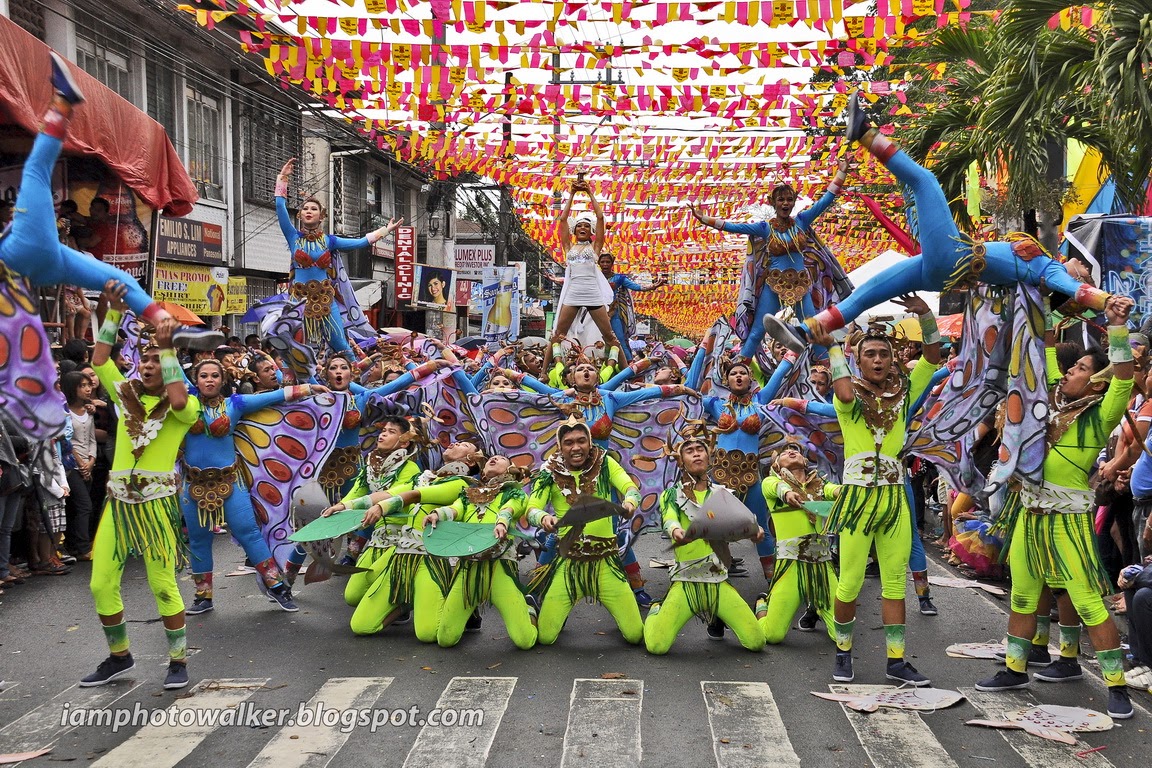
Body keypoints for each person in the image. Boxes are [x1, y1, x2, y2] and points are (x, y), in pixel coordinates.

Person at [764, 93, 1128, 353]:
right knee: (865, 294)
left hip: (957, 258)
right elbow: (1076, 291)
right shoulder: (1047, 268)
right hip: (942, 268)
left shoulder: (1052, 271)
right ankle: (807, 330)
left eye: (1084, 270)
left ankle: (863, 133)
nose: (1082, 263)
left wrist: (1106, 299)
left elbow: (1077, 291)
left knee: (925, 181)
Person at [975, 300, 1136, 720]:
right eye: (1072, 366)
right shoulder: (1047, 405)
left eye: (1080, 367)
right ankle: (1014, 668)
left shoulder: (1101, 415)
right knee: (1024, 596)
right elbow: (1045, 355)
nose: (1069, 371)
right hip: (1029, 518)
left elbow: (1123, 378)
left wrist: (1117, 328)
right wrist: (1039, 303)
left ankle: (1117, 688)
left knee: (1087, 602)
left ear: (1096, 382)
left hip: (1069, 524)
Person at [0, 54, 221, 352]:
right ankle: (63, 101)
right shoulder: (26, 231)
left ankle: (165, 323)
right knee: (37, 168)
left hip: (39, 264)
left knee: (116, 278)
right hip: (25, 253)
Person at [806, 294, 941, 686]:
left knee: (894, 582)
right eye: (870, 355)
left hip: (896, 499)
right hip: (859, 499)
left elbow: (932, 358)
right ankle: (843, 653)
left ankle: (896, 661)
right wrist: (832, 346)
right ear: (859, 361)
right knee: (849, 581)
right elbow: (846, 393)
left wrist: (927, 316)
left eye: (884, 353)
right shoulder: (846, 396)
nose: (878, 360)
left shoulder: (905, 395)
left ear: (893, 359)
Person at [81, 279, 201, 690]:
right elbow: (99, 361)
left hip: (155, 508)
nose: (147, 365)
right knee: (101, 583)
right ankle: (120, 656)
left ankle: (178, 660)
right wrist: (112, 312)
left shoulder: (183, 405)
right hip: (118, 505)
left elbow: (181, 401)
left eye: (156, 360)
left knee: (161, 584)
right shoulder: (125, 395)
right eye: (144, 359)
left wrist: (167, 349)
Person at [180, 358, 329, 615]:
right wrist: (162, 341)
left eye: (215, 375)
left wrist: (309, 390)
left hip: (230, 481)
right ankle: (203, 596)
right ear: (195, 380)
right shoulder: (186, 403)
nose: (209, 380)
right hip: (193, 485)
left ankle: (278, 587)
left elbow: (272, 397)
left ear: (223, 380)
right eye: (203, 375)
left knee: (249, 532)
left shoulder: (235, 404)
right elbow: (171, 369)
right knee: (198, 539)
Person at [690, 157, 852, 360]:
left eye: (789, 199)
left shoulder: (802, 221)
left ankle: (825, 371)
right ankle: (739, 368)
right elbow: (733, 227)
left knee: (813, 328)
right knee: (758, 330)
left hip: (802, 285)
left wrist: (842, 171)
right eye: (781, 200)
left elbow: (827, 199)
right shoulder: (764, 228)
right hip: (774, 285)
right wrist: (703, 218)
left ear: (794, 202)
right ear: (773, 203)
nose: (785, 203)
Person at [645, 427, 765, 654]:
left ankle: (760, 605)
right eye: (689, 451)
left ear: (709, 456)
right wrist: (676, 531)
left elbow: (745, 523)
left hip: (718, 580)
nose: (696, 453)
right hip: (686, 581)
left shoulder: (723, 493)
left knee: (756, 642)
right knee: (657, 646)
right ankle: (656, 609)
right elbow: (669, 518)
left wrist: (755, 532)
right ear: (681, 461)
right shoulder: (671, 494)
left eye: (700, 449)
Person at [527, 417, 644, 645]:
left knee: (635, 635)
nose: (576, 447)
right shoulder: (548, 471)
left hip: (606, 564)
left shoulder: (605, 463)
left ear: (590, 443)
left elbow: (631, 487)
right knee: (546, 637)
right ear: (561, 447)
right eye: (569, 442)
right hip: (568, 565)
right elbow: (532, 508)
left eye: (581, 441)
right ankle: (531, 612)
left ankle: (658, 610)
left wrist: (630, 502)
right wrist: (544, 518)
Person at [274, 158, 401, 353]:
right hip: (298, 300)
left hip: (325, 299)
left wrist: (385, 230)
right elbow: (280, 207)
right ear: (300, 215)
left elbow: (360, 242)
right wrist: (283, 178)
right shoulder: (293, 237)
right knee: (293, 344)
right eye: (305, 209)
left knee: (340, 343)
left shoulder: (330, 241)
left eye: (313, 209)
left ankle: (354, 375)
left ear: (321, 215)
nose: (309, 211)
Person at [424, 456, 537, 649]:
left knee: (524, 641)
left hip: (499, 568)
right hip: (468, 569)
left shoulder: (514, 494)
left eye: (500, 458)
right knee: (445, 639)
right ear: (482, 471)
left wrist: (502, 521)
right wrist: (437, 514)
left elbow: (510, 509)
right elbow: (455, 509)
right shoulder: (468, 494)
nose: (493, 459)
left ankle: (530, 610)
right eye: (491, 458)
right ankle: (471, 611)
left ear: (509, 470)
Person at [755, 442, 840, 643]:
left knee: (842, 634)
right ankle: (762, 604)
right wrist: (787, 493)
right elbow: (778, 487)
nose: (791, 452)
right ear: (776, 465)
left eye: (796, 451)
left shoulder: (819, 484)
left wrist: (848, 492)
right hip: (790, 566)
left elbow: (836, 490)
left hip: (822, 567)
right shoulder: (770, 482)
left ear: (805, 461)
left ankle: (817, 604)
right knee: (772, 635)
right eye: (784, 453)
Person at [548, 177, 627, 368]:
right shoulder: (568, 247)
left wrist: (590, 192)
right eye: (579, 226)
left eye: (586, 226)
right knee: (558, 334)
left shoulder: (595, 248)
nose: (582, 228)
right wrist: (573, 193)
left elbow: (600, 218)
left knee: (610, 337)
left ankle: (627, 372)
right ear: (574, 231)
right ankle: (544, 372)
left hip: (592, 294)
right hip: (573, 294)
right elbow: (563, 219)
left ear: (590, 231)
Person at [597, 253, 666, 362]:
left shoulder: (619, 278)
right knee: (597, 341)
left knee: (619, 340)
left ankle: (629, 365)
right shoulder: (594, 277)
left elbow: (636, 287)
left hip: (613, 313)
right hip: (596, 313)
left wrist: (654, 286)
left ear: (612, 263)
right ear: (598, 263)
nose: (605, 264)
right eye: (602, 262)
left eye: (607, 262)